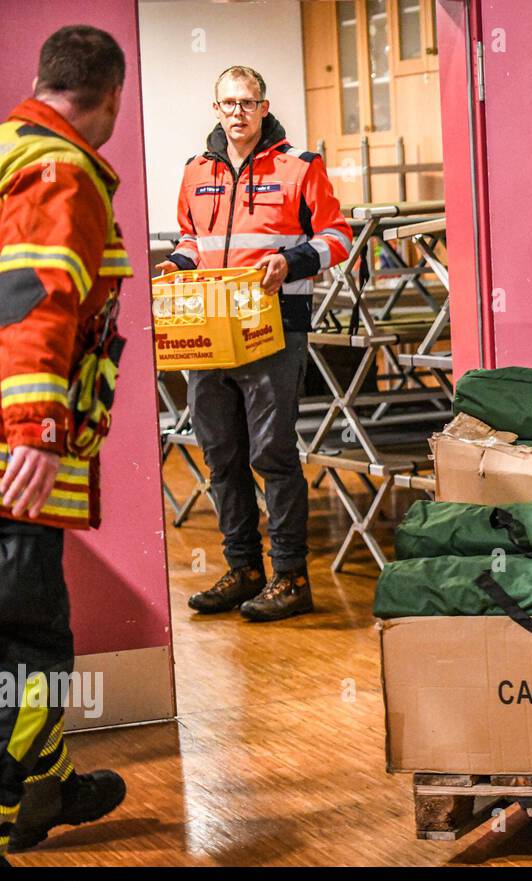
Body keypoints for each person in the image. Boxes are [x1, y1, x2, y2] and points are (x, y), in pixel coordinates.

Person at [0, 24, 135, 865]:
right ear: (111, 95)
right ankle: (25, 793)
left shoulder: (10, 145)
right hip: (14, 446)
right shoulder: (62, 169)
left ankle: (42, 775)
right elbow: (36, 300)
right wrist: (39, 431)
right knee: (29, 631)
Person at [158, 66, 352, 622]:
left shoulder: (300, 167)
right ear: (215, 108)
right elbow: (192, 240)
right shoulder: (196, 171)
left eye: (247, 102)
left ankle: (291, 578)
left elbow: (338, 237)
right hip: (206, 330)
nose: (237, 112)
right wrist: (174, 264)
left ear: (264, 106)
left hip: (274, 326)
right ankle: (244, 569)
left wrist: (291, 261)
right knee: (221, 455)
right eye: (227, 103)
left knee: (273, 453)